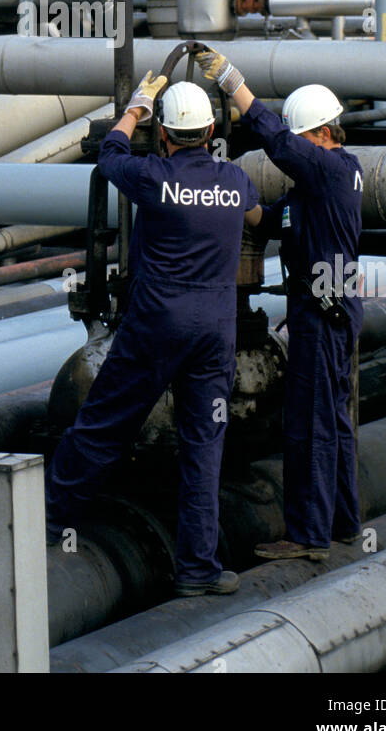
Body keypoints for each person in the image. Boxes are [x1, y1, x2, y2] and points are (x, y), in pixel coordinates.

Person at [45, 71, 262, 596]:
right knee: (204, 443)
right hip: (215, 330)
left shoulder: (151, 176)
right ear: (211, 131)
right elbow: (258, 216)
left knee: (103, 424)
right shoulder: (234, 180)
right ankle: (197, 569)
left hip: (156, 323)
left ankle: (46, 525)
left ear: (165, 134)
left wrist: (137, 105)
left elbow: (109, 153)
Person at [200, 50, 364, 562]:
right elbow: (268, 222)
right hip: (327, 311)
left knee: (309, 425)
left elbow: (274, 137)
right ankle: (341, 522)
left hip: (323, 314)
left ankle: (307, 536)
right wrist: (227, 187)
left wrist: (233, 82)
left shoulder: (333, 170)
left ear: (318, 135)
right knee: (333, 422)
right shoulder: (312, 189)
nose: (292, 150)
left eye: (300, 140)